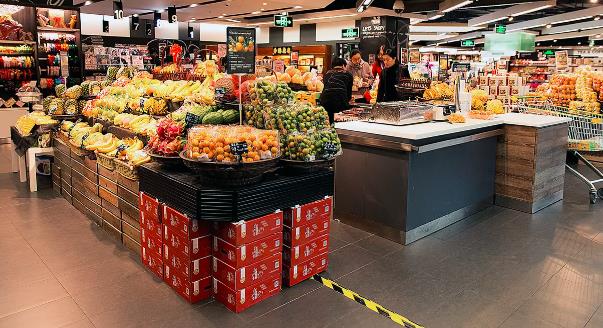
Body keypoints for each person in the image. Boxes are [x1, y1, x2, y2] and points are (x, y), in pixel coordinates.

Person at [320, 57, 353, 123]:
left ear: (332, 66)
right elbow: (348, 93)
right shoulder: (348, 75)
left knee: (328, 121)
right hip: (340, 101)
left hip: (325, 101)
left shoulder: (327, 75)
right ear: (344, 65)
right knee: (341, 123)